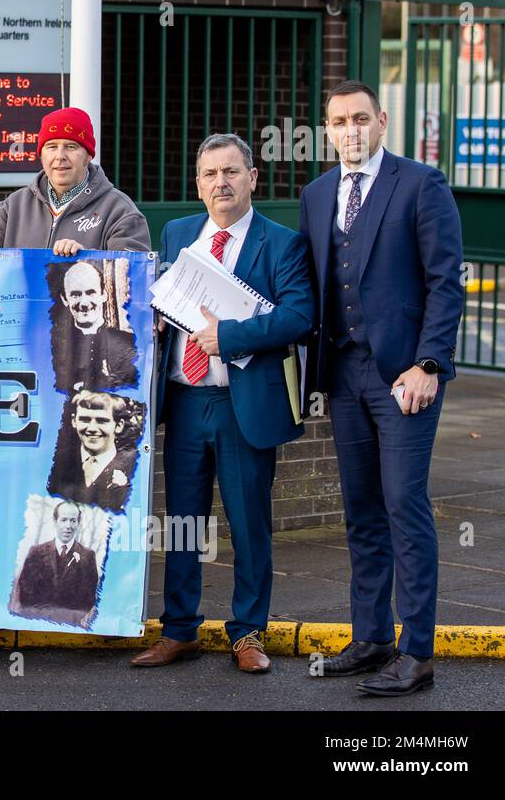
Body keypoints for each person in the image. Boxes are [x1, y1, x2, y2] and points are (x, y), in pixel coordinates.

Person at [299, 81, 464, 696]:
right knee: (362, 511)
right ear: (327, 127)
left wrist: (430, 364)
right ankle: (370, 638)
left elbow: (446, 283)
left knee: (404, 507)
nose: (350, 130)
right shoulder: (316, 195)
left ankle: (416, 652)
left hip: (404, 377)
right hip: (343, 375)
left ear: (382, 121)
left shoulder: (422, 185)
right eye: (338, 120)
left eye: (360, 119)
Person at [131, 133, 315, 674]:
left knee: (247, 522)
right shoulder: (179, 233)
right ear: (198, 183)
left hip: (243, 405)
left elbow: (300, 317)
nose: (221, 183)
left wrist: (231, 336)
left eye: (232, 172)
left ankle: (248, 633)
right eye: (210, 174)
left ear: (253, 178)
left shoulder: (281, 243)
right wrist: (157, 317)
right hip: (186, 401)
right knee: (183, 521)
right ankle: (180, 630)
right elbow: (162, 298)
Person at [0, 106, 151, 255]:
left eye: (71, 147)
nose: (60, 156)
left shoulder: (120, 211)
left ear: (88, 155)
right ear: (41, 155)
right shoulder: (13, 207)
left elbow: (133, 277)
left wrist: (87, 260)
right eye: (51, 147)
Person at [48, 259, 139, 391]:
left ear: (104, 295)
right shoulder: (53, 349)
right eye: (75, 295)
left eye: (91, 293)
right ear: (65, 299)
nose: (84, 303)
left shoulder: (129, 342)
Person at [47, 388, 140, 512]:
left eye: (102, 421)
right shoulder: (58, 463)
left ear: (118, 426)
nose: (92, 428)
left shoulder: (134, 465)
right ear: (74, 421)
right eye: (85, 420)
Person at [11, 500, 98, 626]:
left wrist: (67, 618)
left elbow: (88, 597)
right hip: (37, 623)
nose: (68, 526)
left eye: (73, 520)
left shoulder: (87, 556)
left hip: (70, 626)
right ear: (55, 522)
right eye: (64, 520)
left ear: (78, 524)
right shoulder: (36, 552)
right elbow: (25, 591)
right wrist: (41, 616)